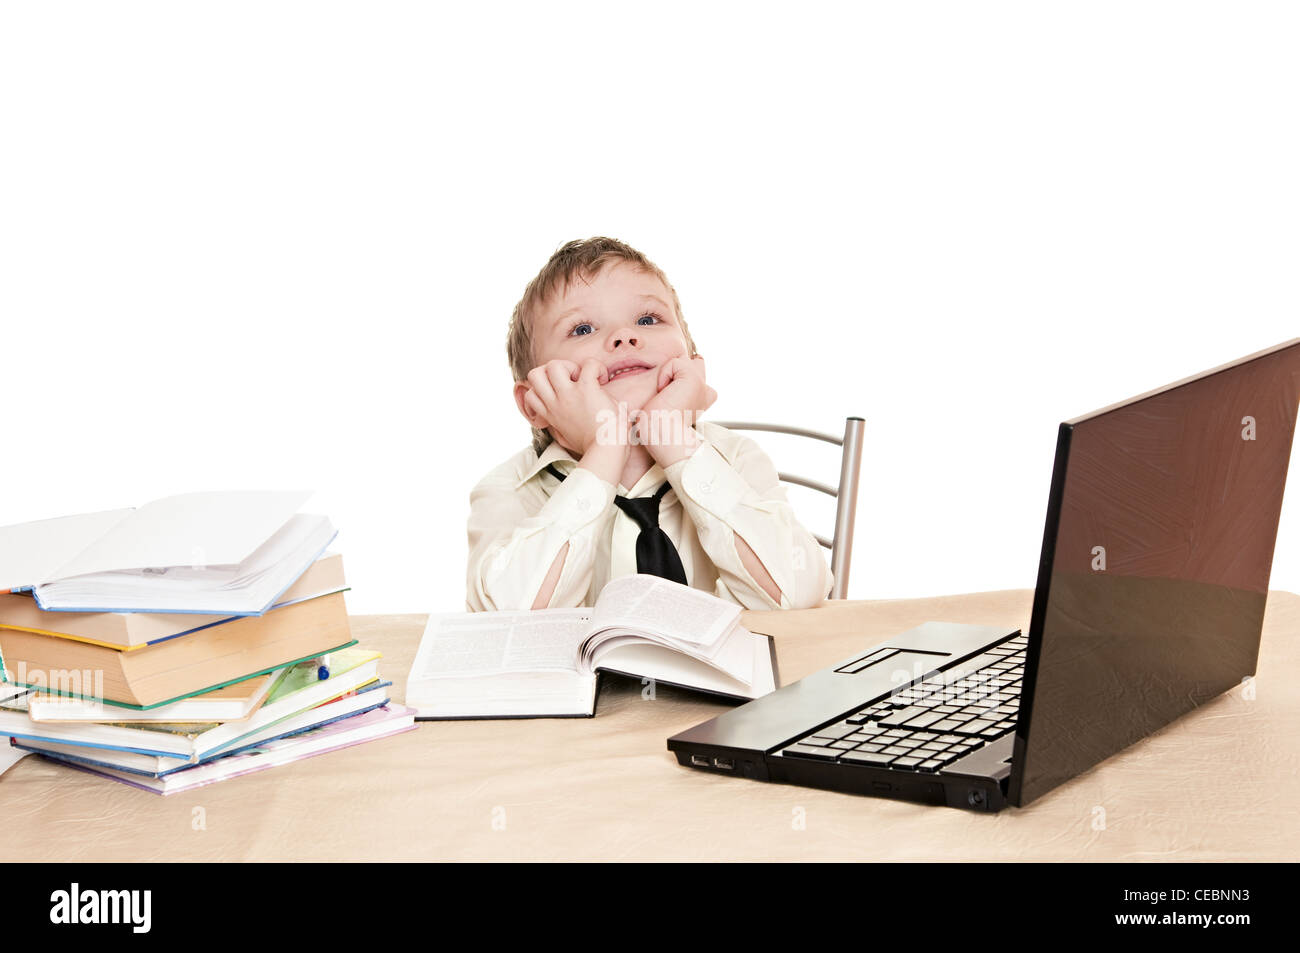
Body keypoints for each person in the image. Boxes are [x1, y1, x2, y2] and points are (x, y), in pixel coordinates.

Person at [467, 236, 832, 612]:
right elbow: (505, 624)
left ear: (692, 361)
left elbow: (797, 594)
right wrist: (605, 449)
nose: (625, 337)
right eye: (582, 329)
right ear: (533, 402)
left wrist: (668, 434)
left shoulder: (736, 459)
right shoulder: (506, 491)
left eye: (647, 319)